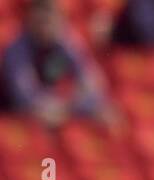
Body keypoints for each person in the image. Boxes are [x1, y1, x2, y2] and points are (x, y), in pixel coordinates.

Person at [1, 0, 112, 128]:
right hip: (16, 117)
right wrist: (61, 107)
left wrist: (69, 107)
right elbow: (23, 99)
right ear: (29, 21)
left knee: (105, 114)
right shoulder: (16, 50)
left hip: (56, 108)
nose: (45, 27)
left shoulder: (66, 42)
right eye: (40, 21)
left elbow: (93, 83)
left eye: (50, 20)